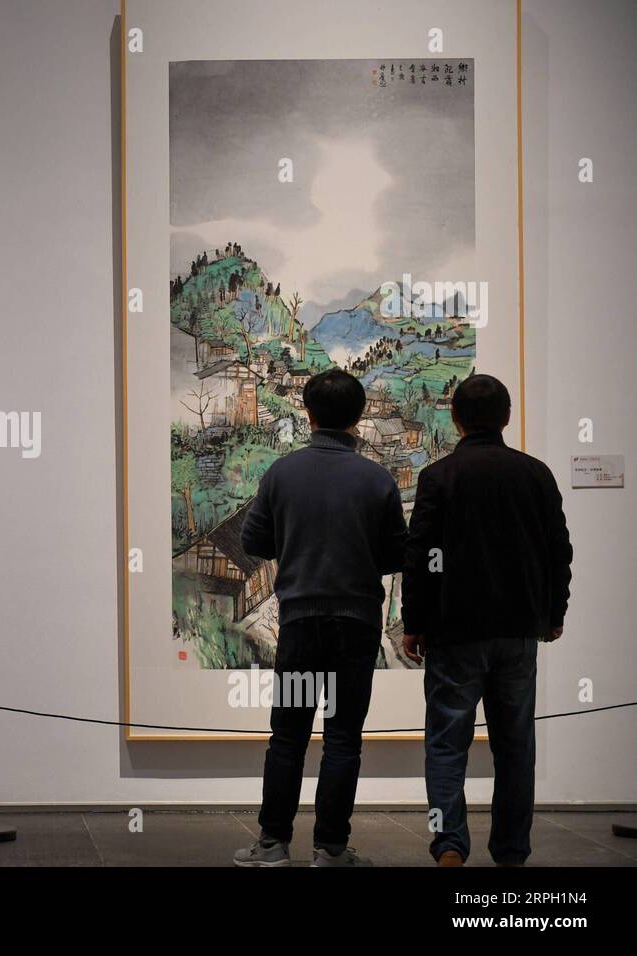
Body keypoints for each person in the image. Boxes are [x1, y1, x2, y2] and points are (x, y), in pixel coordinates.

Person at [234, 368, 407, 868]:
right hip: (356, 623)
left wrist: (295, 545)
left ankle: (271, 845)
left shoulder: (281, 474)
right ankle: (331, 848)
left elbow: (253, 543)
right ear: (358, 417)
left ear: (307, 413)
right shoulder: (376, 479)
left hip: (300, 623)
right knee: (343, 736)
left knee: (287, 734)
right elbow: (397, 555)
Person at [402, 374, 572, 867]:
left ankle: (449, 845)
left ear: (454, 418)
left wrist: (415, 621)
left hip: (455, 631)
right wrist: (553, 612)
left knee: (446, 746)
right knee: (516, 748)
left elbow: (423, 556)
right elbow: (558, 550)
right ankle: (513, 852)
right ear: (507, 417)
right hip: (519, 630)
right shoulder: (536, 474)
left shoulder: (438, 478)